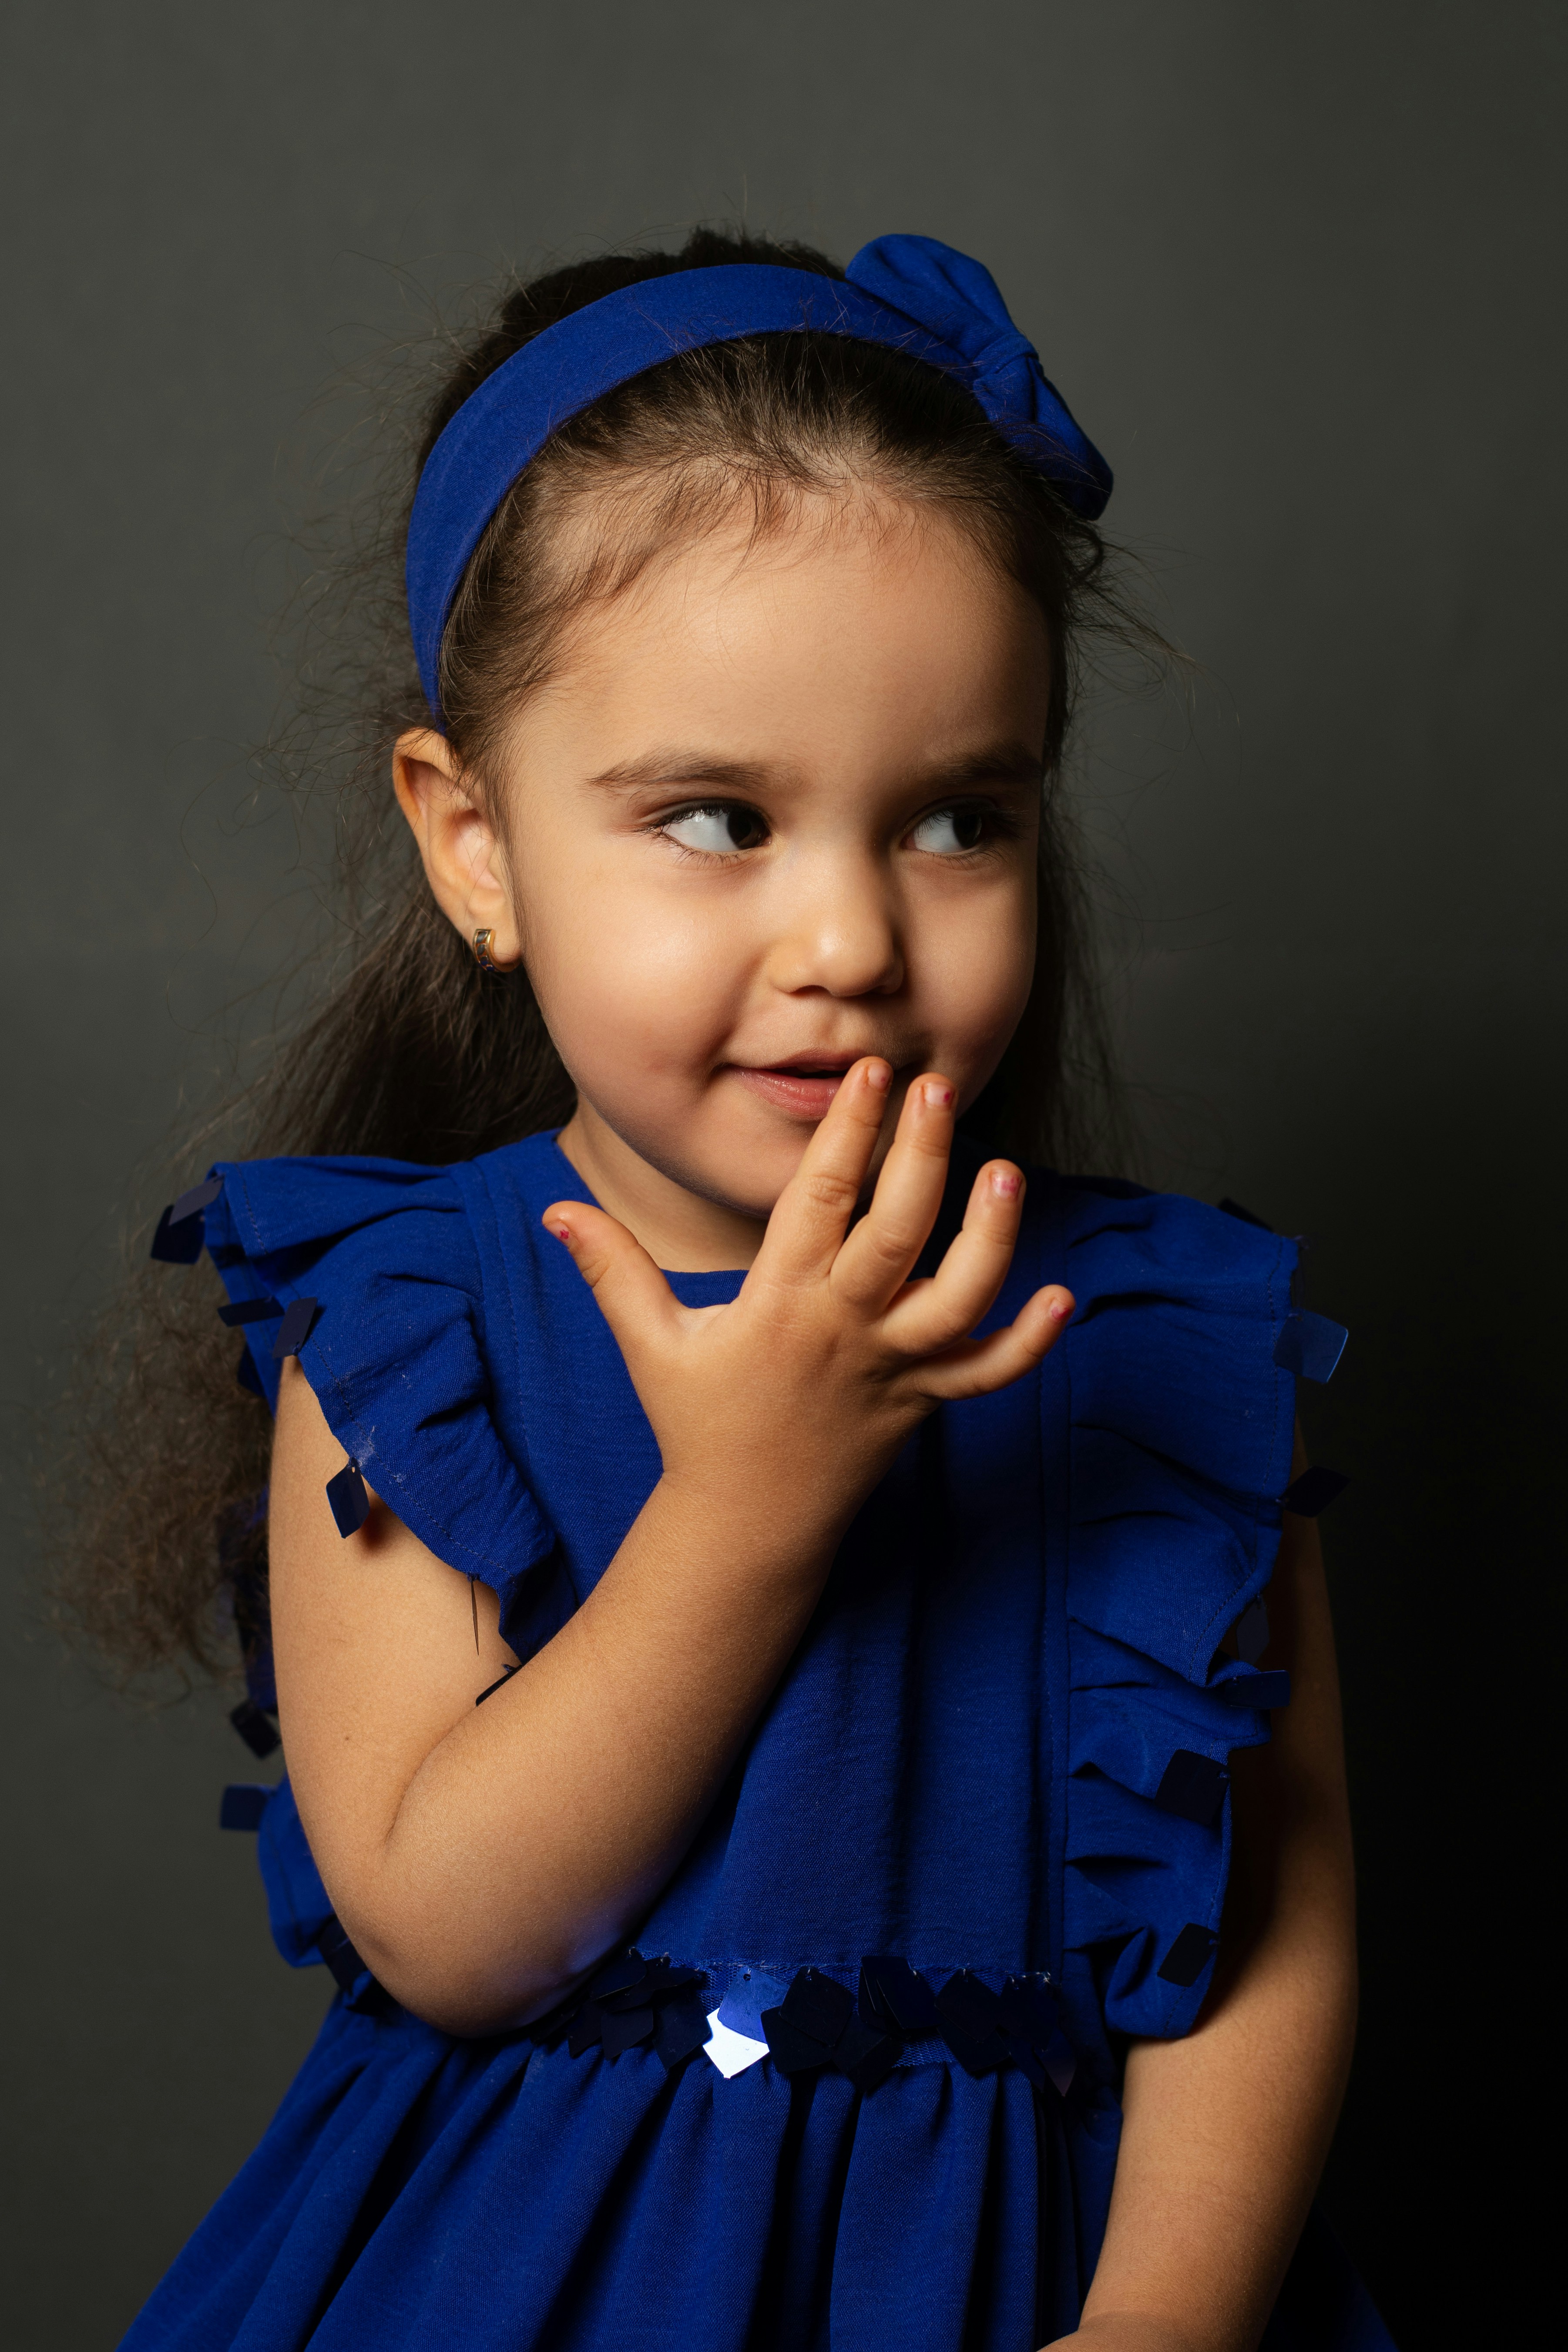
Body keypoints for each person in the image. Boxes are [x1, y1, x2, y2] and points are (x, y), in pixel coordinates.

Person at [86, 228, 1388, 2351]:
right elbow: (450, 1929)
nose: (854, 937)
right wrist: (746, 1510)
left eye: (958, 819)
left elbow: (1272, 1920)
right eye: (715, 816)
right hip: (547, 2284)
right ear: (473, 839)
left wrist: (1162, 2316)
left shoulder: (1165, 1348)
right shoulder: (417, 1320)